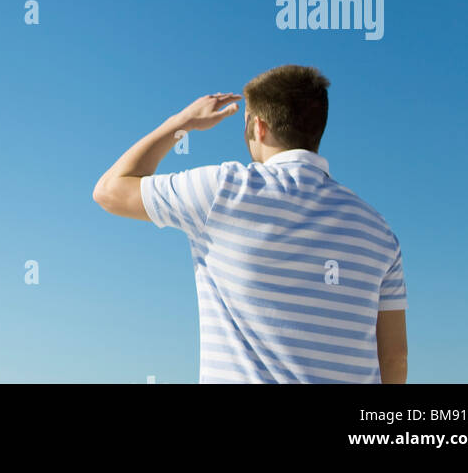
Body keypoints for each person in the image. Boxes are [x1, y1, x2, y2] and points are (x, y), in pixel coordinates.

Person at [92, 65, 408, 383]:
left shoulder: (223, 190)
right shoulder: (379, 232)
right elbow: (394, 358)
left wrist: (182, 122)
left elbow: (109, 191)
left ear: (258, 126)